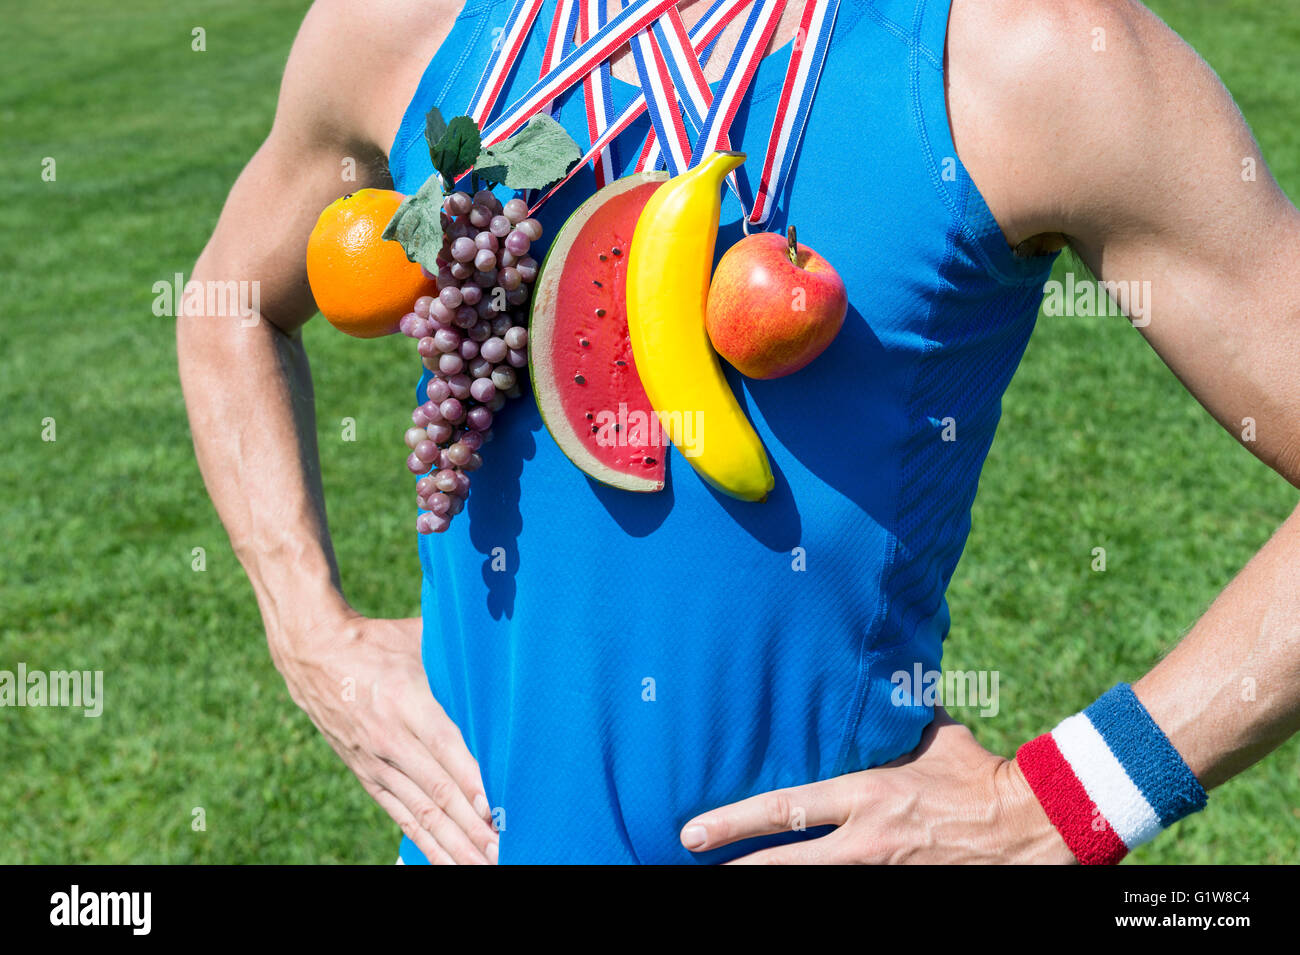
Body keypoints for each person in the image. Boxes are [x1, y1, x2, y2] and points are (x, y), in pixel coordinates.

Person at [178, 0, 1300, 864]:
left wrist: (1055, 808)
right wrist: (309, 631)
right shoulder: (412, 20)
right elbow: (228, 302)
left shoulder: (1027, 54)